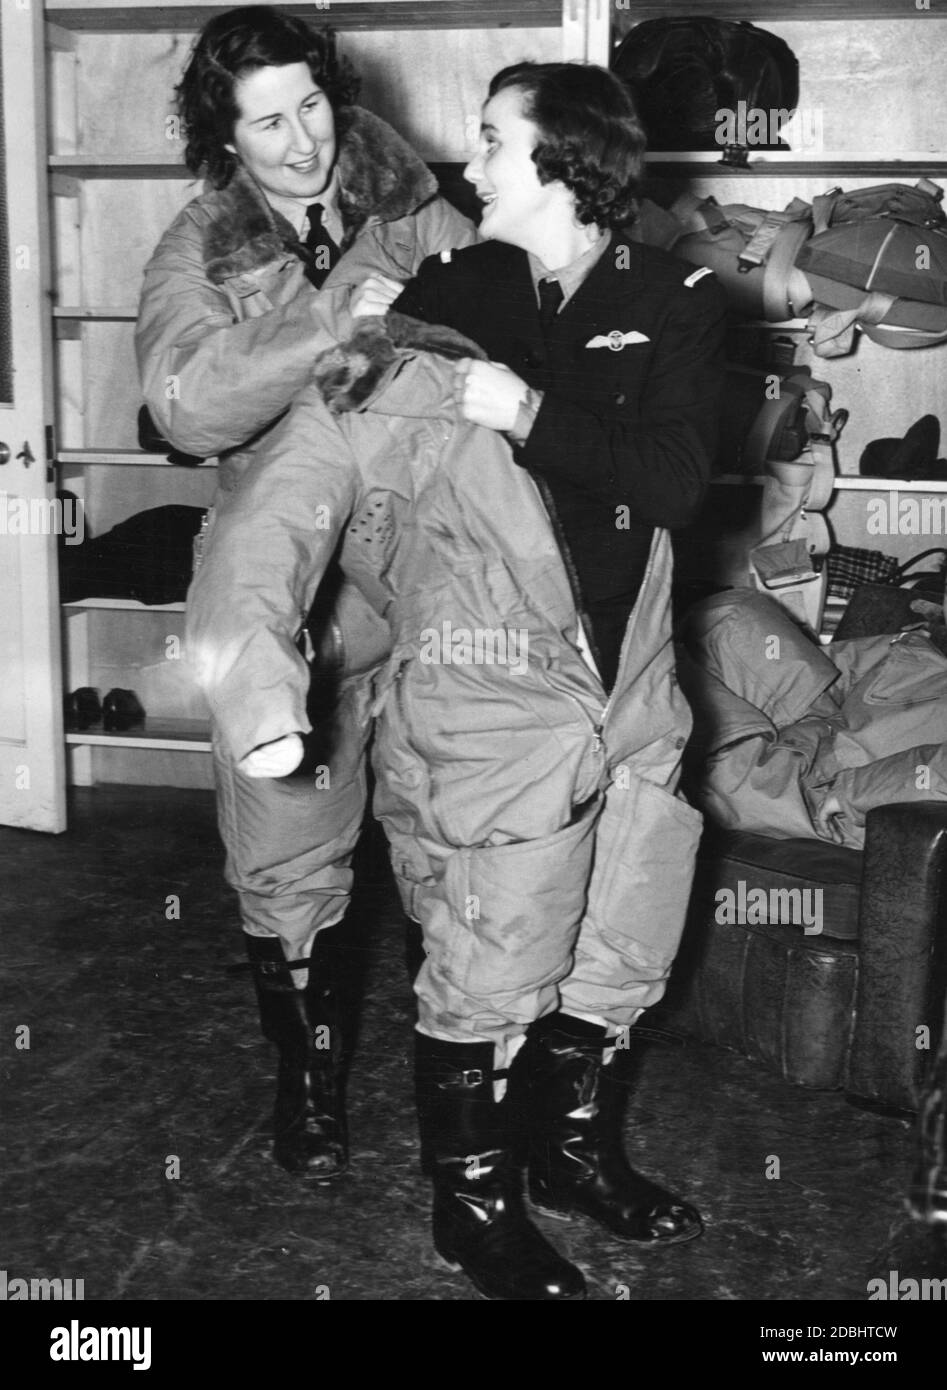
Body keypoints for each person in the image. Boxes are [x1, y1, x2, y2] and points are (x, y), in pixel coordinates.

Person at [187, 61, 727, 1299]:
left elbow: (679, 480)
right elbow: (275, 512)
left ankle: (568, 1151)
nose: (460, 166)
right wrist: (264, 695)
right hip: (489, 696)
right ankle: (469, 1205)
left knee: (623, 937)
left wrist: (532, 411)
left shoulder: (675, 294)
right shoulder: (426, 317)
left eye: (489, 141)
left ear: (563, 162)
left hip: (631, 675)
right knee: (490, 965)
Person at [135, 5, 476, 1184]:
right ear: (222, 136)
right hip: (289, 606)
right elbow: (183, 404)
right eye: (266, 121)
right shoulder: (204, 248)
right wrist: (326, 317)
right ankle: (309, 1081)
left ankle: (474, 1097)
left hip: (433, 570)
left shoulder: (410, 200)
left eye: (314, 105)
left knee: (458, 830)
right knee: (287, 861)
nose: (301, 141)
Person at [676, 586, 947, 847]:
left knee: (666, 672)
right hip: (817, 731)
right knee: (731, 612)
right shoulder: (934, 645)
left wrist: (852, 792)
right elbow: (839, 672)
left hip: (821, 795)